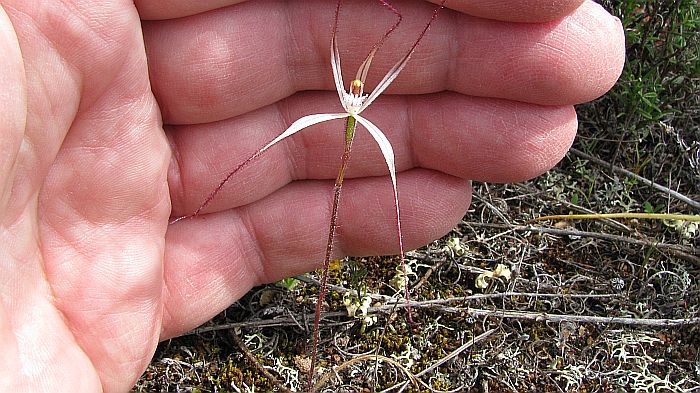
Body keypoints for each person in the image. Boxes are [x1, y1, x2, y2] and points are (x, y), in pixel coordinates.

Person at [0, 0, 624, 391]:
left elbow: (386, 62)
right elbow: (335, 53)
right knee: (275, 147)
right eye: (348, 80)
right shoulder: (341, 86)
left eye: (356, 81)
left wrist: (420, 21)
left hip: (362, 120)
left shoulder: (367, 104)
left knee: (389, 176)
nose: (351, 84)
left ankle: (380, 289)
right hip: (345, 118)